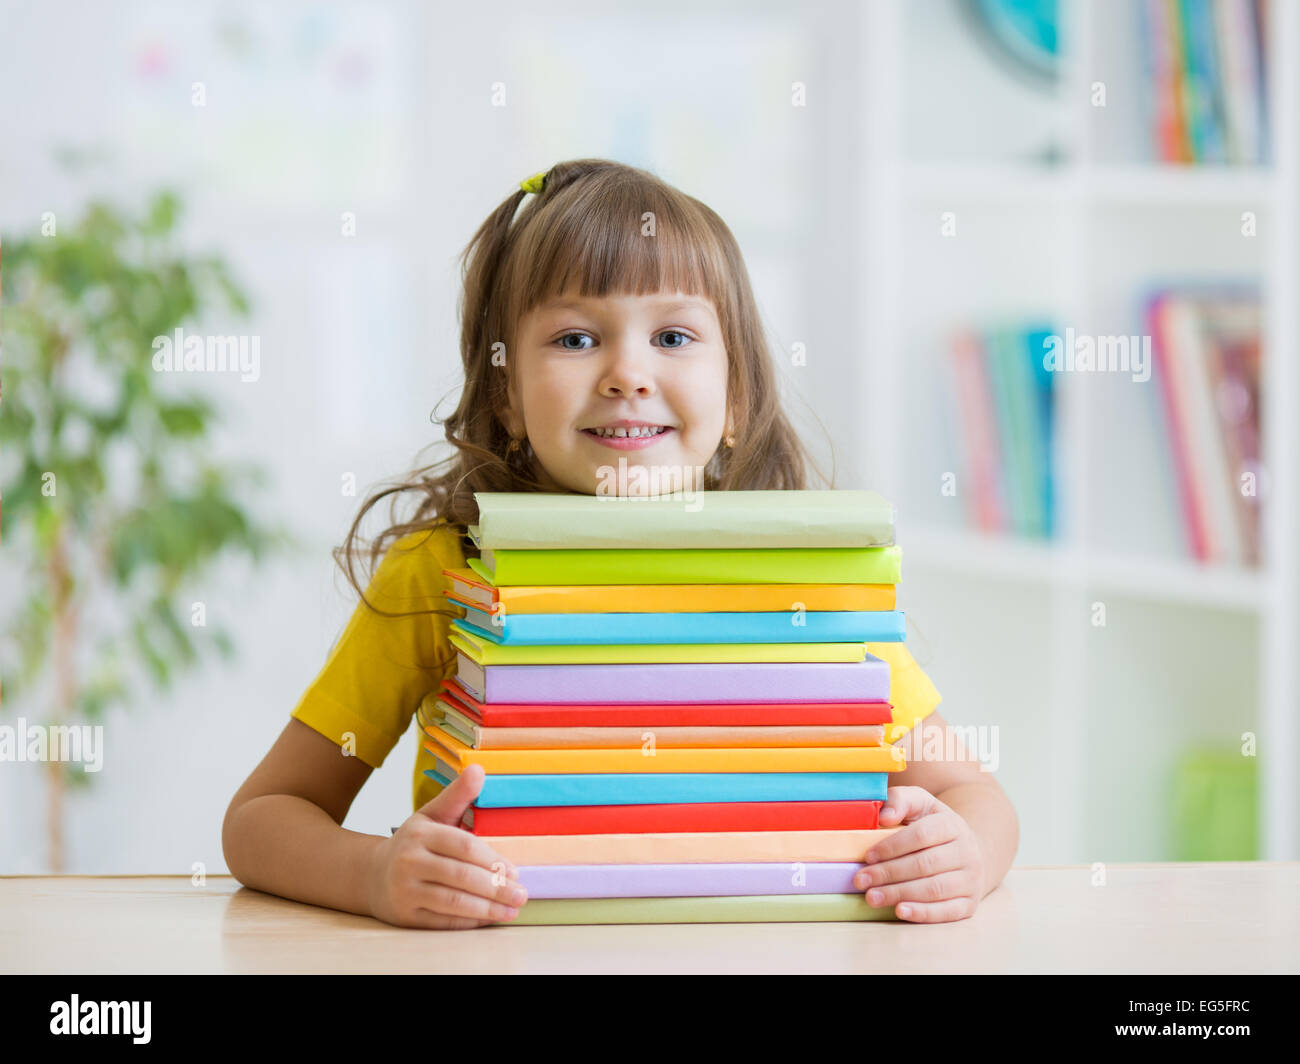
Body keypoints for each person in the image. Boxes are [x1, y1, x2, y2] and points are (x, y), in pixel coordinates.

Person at [222, 158, 1019, 930]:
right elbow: (262, 818)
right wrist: (372, 876)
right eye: (575, 340)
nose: (627, 374)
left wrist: (964, 858)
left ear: (735, 393)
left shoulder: (801, 578)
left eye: (673, 337)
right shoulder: (444, 570)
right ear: (505, 393)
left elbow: (975, 797)